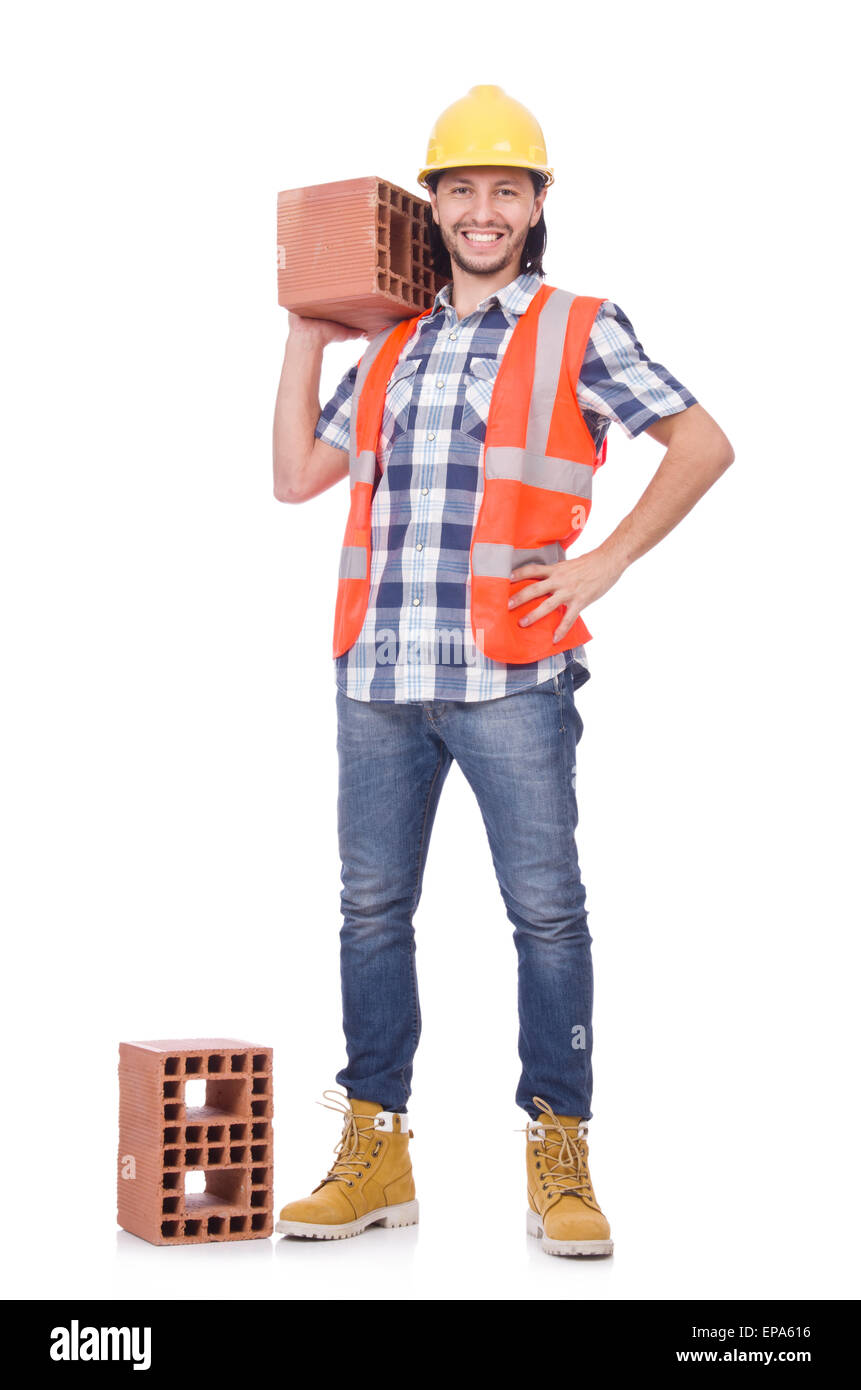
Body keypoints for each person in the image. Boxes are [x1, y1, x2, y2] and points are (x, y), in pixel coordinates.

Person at [271, 84, 734, 1257]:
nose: (484, 209)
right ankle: (375, 1151)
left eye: (506, 190)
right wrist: (304, 332)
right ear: (435, 209)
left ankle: (560, 1155)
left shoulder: (583, 325)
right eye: (462, 189)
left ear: (536, 208)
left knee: (547, 917)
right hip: (376, 677)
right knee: (371, 913)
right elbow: (294, 477)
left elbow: (702, 441)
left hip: (514, 678)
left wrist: (607, 566)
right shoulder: (395, 347)